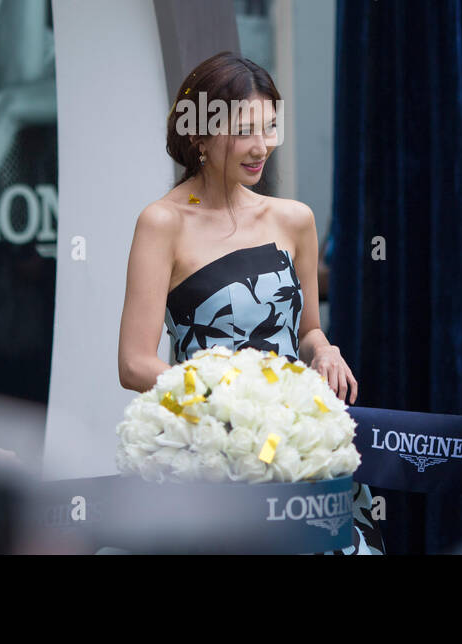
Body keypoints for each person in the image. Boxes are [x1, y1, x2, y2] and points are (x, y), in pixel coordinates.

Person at [117, 52, 384, 554]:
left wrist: (324, 351)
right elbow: (133, 364)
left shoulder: (294, 219)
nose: (261, 147)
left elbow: (307, 332)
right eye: (244, 130)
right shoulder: (162, 223)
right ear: (198, 134)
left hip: (295, 451)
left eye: (269, 128)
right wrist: (233, 403)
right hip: (211, 451)